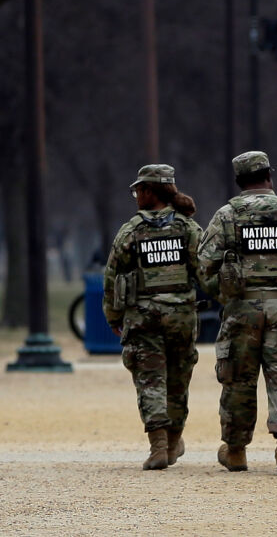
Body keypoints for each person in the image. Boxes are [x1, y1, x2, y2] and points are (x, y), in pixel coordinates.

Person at [199, 150, 277, 475]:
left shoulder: (227, 215)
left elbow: (203, 262)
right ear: (269, 176)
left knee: (238, 379)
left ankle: (236, 450)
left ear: (240, 181)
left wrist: (223, 292)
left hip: (240, 308)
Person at [103, 164, 204, 470]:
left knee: (150, 380)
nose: (136, 196)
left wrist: (113, 316)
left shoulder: (131, 230)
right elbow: (205, 271)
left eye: (138, 190)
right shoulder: (188, 228)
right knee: (178, 379)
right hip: (181, 316)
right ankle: (173, 442)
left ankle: (159, 444)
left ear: (150, 192)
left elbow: (112, 276)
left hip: (143, 316)